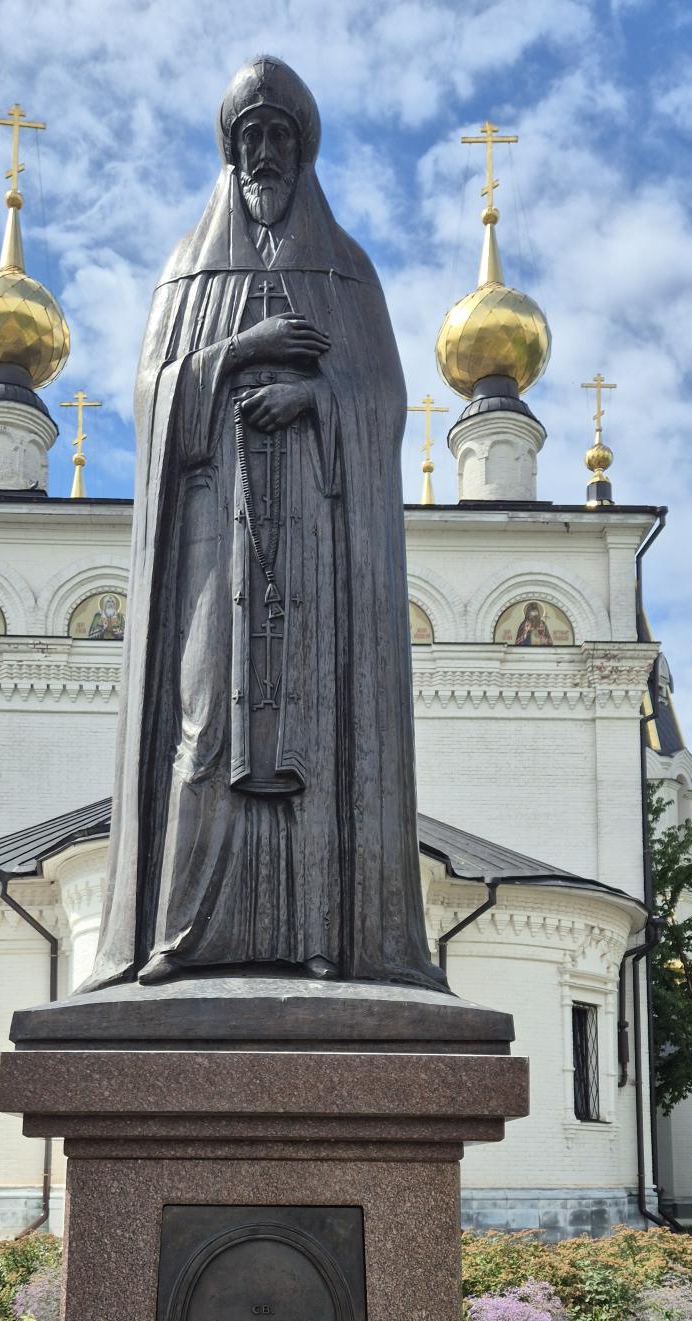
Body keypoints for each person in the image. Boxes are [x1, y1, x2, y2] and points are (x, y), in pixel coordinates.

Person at [84, 57, 441, 993]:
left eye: (281, 139)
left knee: (311, 734)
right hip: (214, 544)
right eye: (251, 141)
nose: (265, 156)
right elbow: (152, 399)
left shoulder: (348, 271)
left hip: (314, 547)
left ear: (303, 152)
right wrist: (242, 353)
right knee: (202, 728)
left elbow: (383, 403)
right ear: (232, 153)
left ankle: (325, 935)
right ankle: (180, 935)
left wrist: (314, 397)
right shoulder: (188, 269)